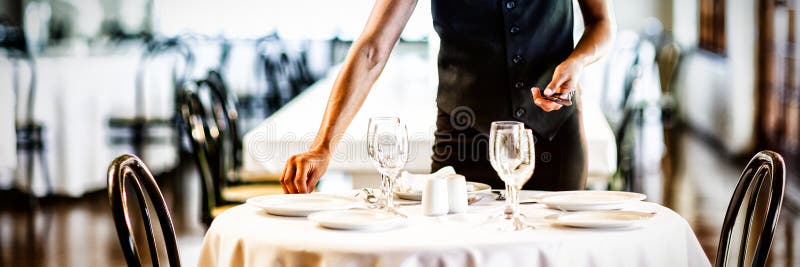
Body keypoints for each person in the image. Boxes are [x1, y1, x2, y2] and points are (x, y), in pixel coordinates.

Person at [279, 0, 616, 193]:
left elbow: (602, 22)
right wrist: (323, 147)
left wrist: (578, 61)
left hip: (552, 139)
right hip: (463, 140)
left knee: (553, 252)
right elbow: (372, 48)